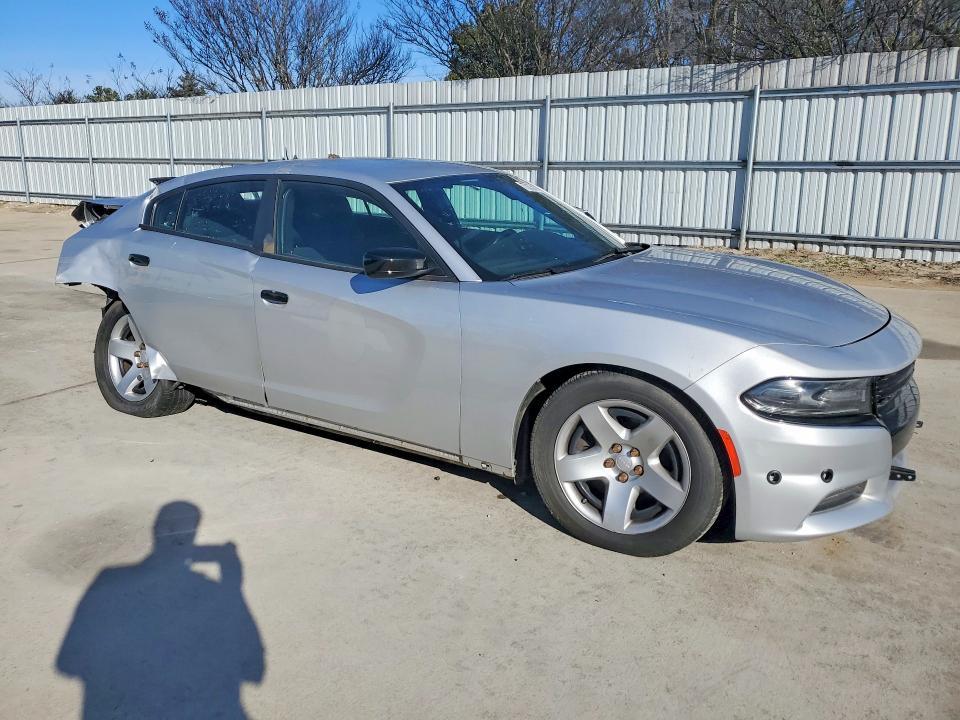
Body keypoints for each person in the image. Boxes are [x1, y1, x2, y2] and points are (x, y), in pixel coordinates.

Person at [56, 501, 265, 719]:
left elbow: (68, 662)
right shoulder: (214, 593)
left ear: (154, 530)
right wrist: (232, 587)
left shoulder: (110, 580)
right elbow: (253, 668)